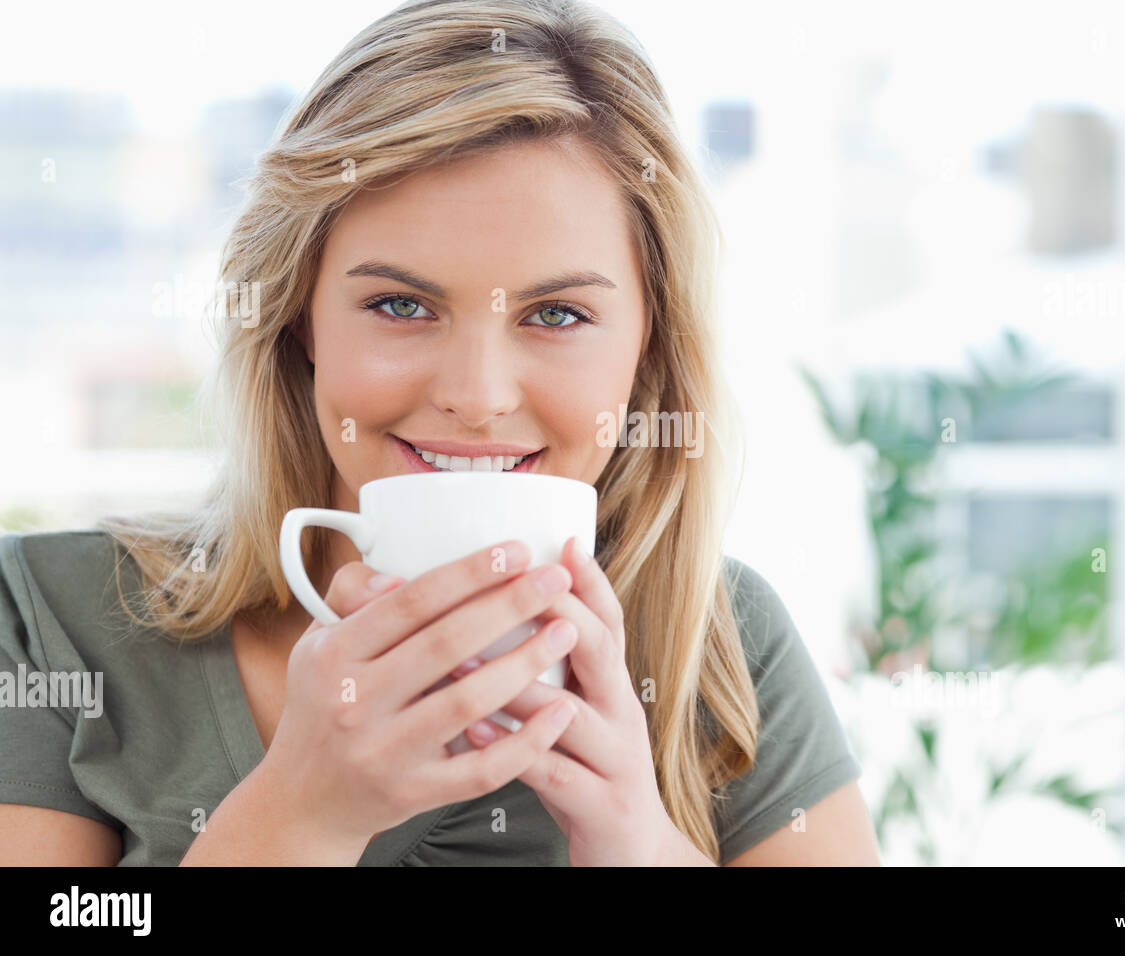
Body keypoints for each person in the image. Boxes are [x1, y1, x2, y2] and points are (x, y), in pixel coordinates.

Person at [0, 0, 880, 866]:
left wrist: (640, 848)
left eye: (559, 314)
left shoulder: (722, 646)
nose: (476, 396)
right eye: (400, 304)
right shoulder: (52, 624)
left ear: (647, 348)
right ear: (301, 320)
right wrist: (298, 816)